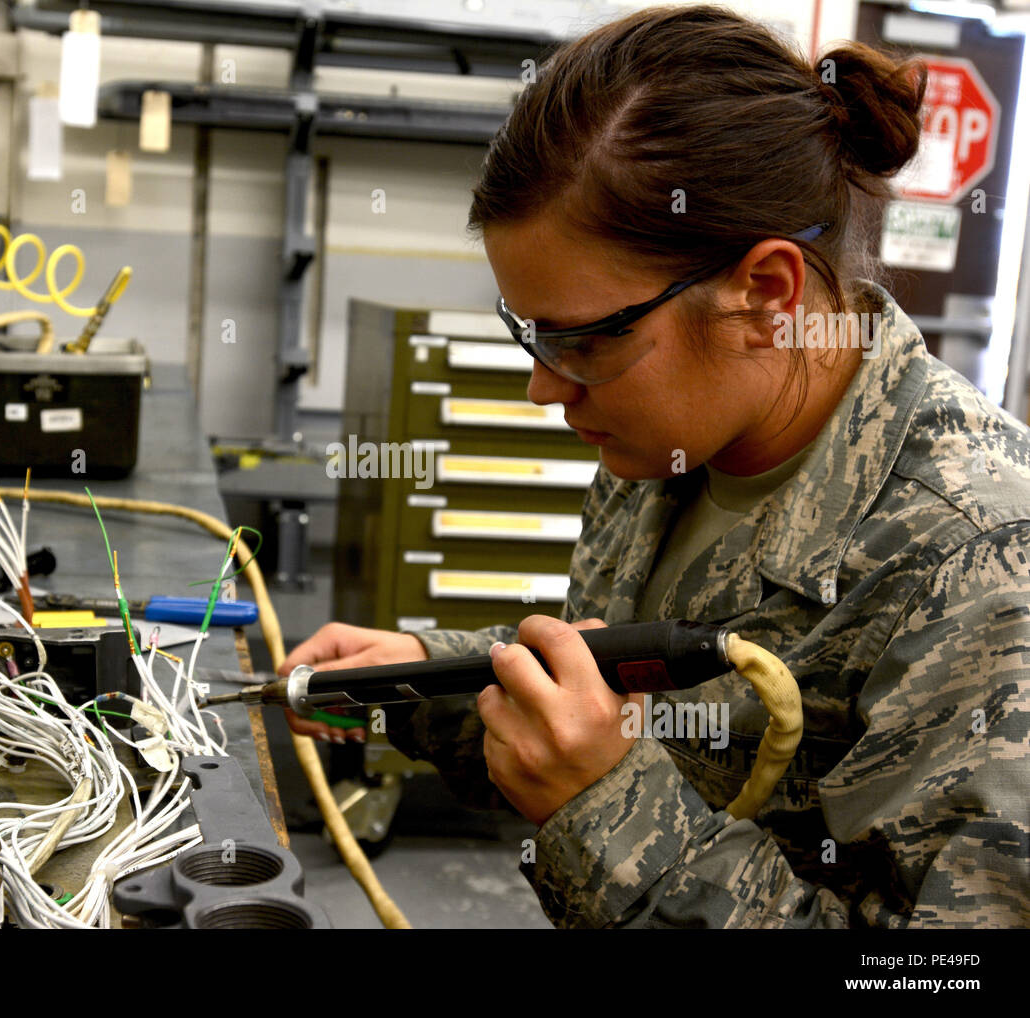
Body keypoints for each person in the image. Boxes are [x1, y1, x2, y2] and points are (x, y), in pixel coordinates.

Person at [283, 4, 1030, 927]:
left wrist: (605, 813)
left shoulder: (979, 565)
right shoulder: (678, 442)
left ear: (764, 294)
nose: (542, 391)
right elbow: (622, 690)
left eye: (583, 339)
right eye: (530, 336)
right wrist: (430, 679)